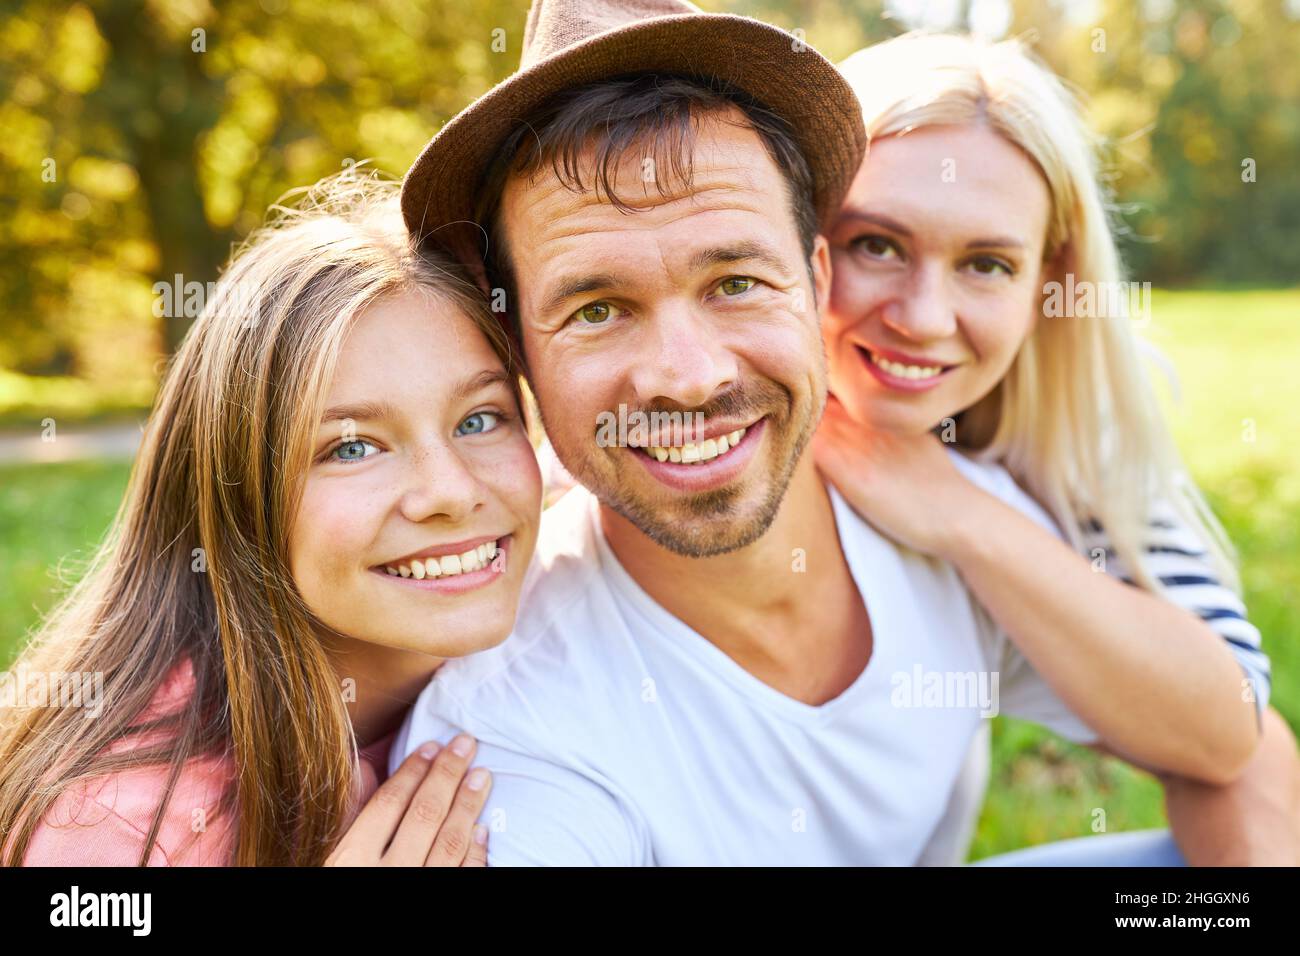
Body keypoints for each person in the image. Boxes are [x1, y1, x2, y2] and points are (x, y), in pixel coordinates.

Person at [392, 0, 1246, 864]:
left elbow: (1223, 740)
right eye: (598, 308)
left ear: (814, 278)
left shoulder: (931, 498)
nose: (690, 376)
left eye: (734, 282)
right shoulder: (498, 741)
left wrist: (962, 520)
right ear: (517, 350)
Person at [812, 33, 1298, 864]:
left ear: (1048, 281)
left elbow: (1231, 735)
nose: (923, 317)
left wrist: (962, 516)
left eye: (987, 264)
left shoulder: (1073, 428)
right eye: (876, 245)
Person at [1, 173, 541, 866]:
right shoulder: (125, 825)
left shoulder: (579, 599)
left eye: (479, 418)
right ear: (238, 497)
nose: (450, 491)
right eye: (351, 446)